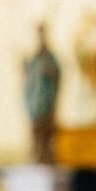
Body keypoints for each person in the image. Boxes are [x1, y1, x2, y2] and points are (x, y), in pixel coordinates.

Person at [22, 23, 61, 164]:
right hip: (34, 103)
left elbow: (56, 73)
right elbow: (29, 77)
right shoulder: (34, 58)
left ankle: (47, 156)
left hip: (46, 101)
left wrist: (49, 72)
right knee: (36, 134)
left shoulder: (50, 58)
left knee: (47, 135)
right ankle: (36, 156)